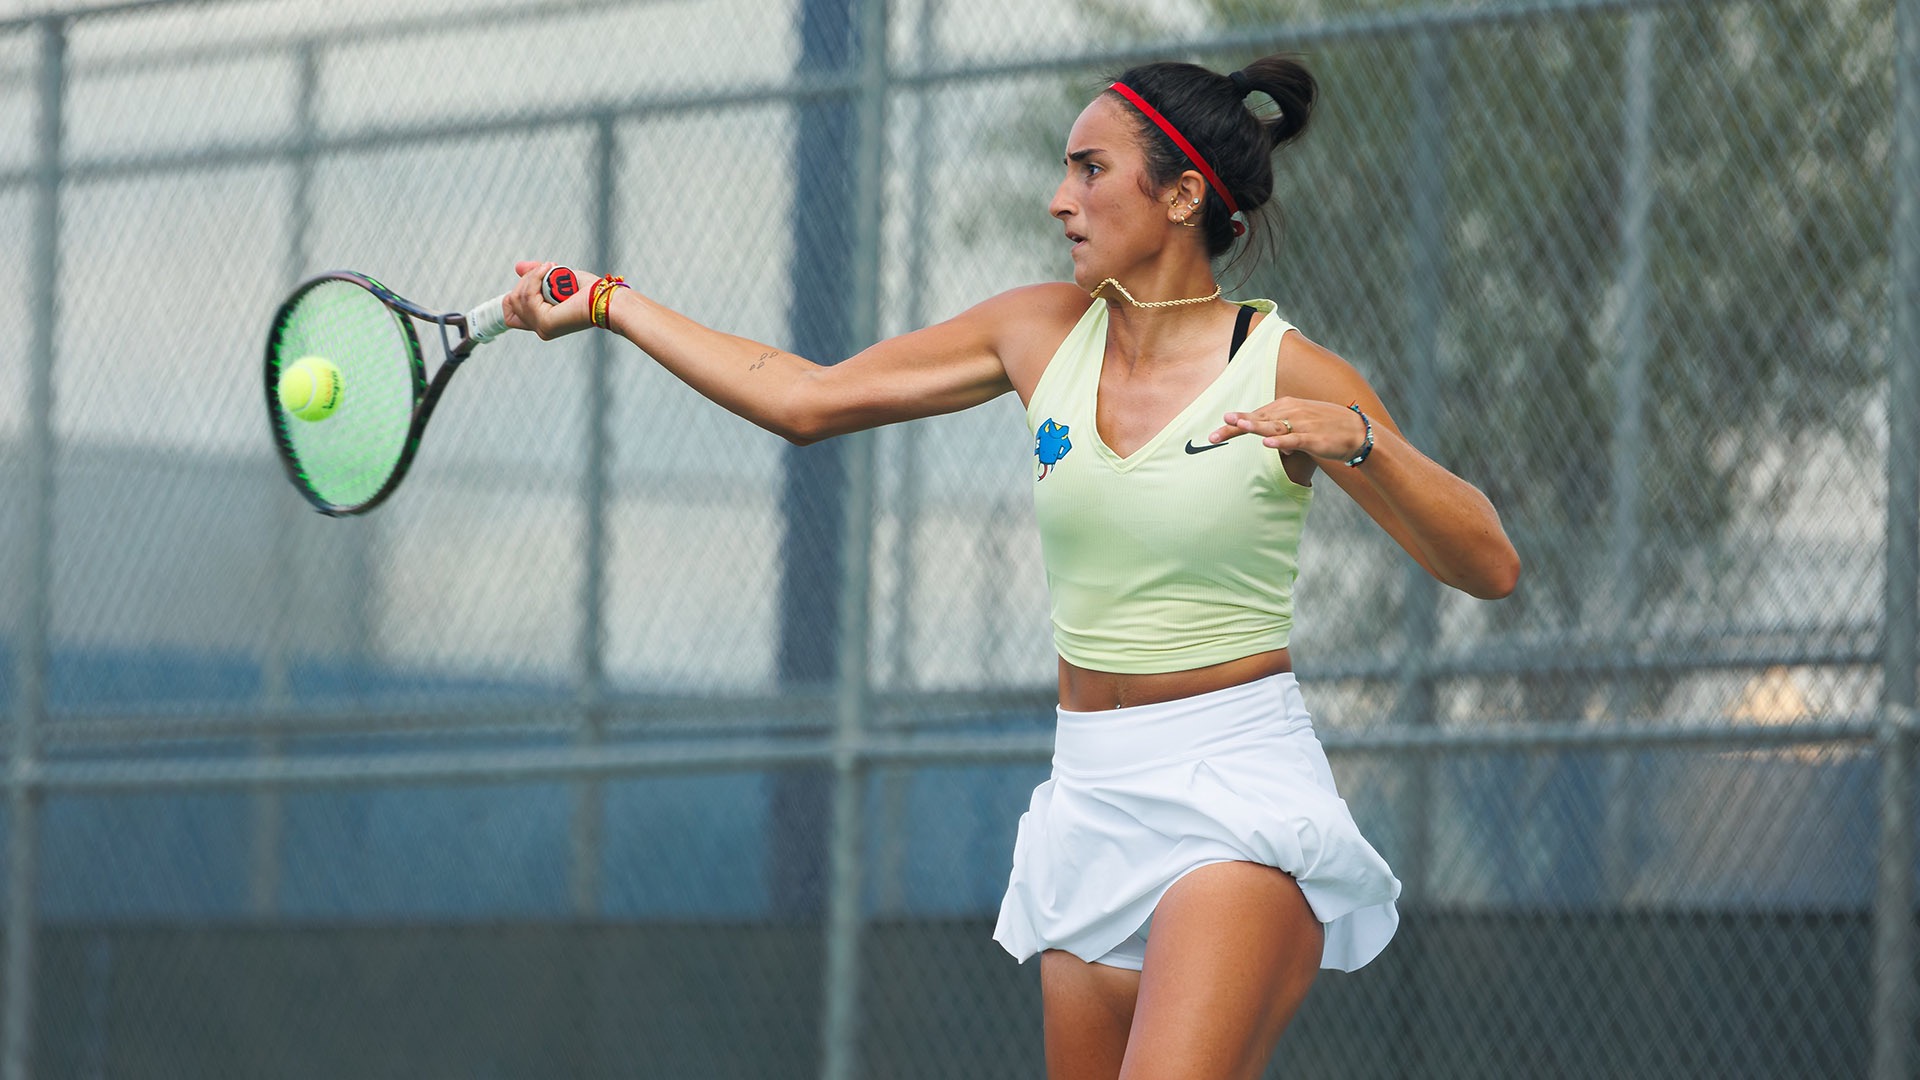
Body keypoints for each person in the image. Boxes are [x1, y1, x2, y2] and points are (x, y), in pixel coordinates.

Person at [503, 54, 1519, 1080]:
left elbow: (1489, 562)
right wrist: (606, 303)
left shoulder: (1284, 367)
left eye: (1089, 170)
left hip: (1236, 791)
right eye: (1063, 172)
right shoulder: (1035, 333)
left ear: (1179, 195)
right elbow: (803, 398)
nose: (1058, 199)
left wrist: (1360, 439)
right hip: (1089, 794)